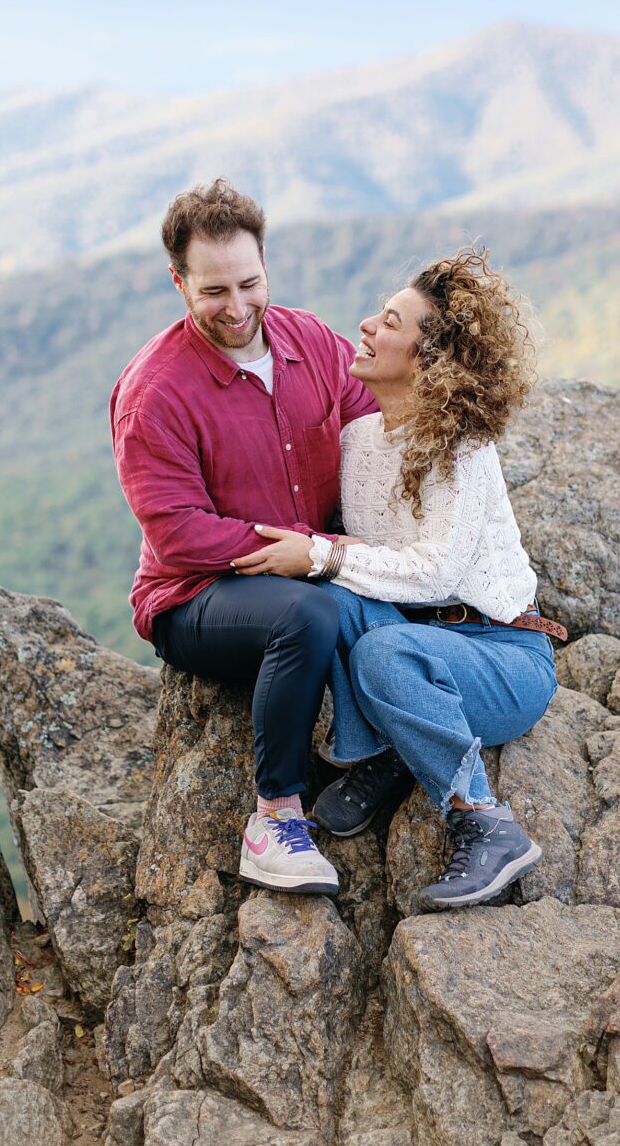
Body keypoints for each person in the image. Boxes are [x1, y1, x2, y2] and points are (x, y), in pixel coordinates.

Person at [230, 246, 565, 910]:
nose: (367, 326)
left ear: (429, 359)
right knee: (324, 604)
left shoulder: (462, 447)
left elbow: (433, 569)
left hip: (501, 656)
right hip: (415, 643)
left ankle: (485, 825)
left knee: (377, 640)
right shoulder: (358, 441)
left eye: (389, 321)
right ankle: (390, 749)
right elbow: (358, 563)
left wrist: (324, 554)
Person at [110, 178, 377, 899]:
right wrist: (304, 554)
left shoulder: (313, 342)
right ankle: (274, 821)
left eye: (249, 283)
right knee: (310, 613)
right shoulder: (154, 393)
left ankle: (390, 764)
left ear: (266, 265)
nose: (236, 307)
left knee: (404, 596)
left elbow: (373, 434)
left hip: (315, 562)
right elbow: (177, 532)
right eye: (213, 291)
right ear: (179, 283)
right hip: (197, 597)